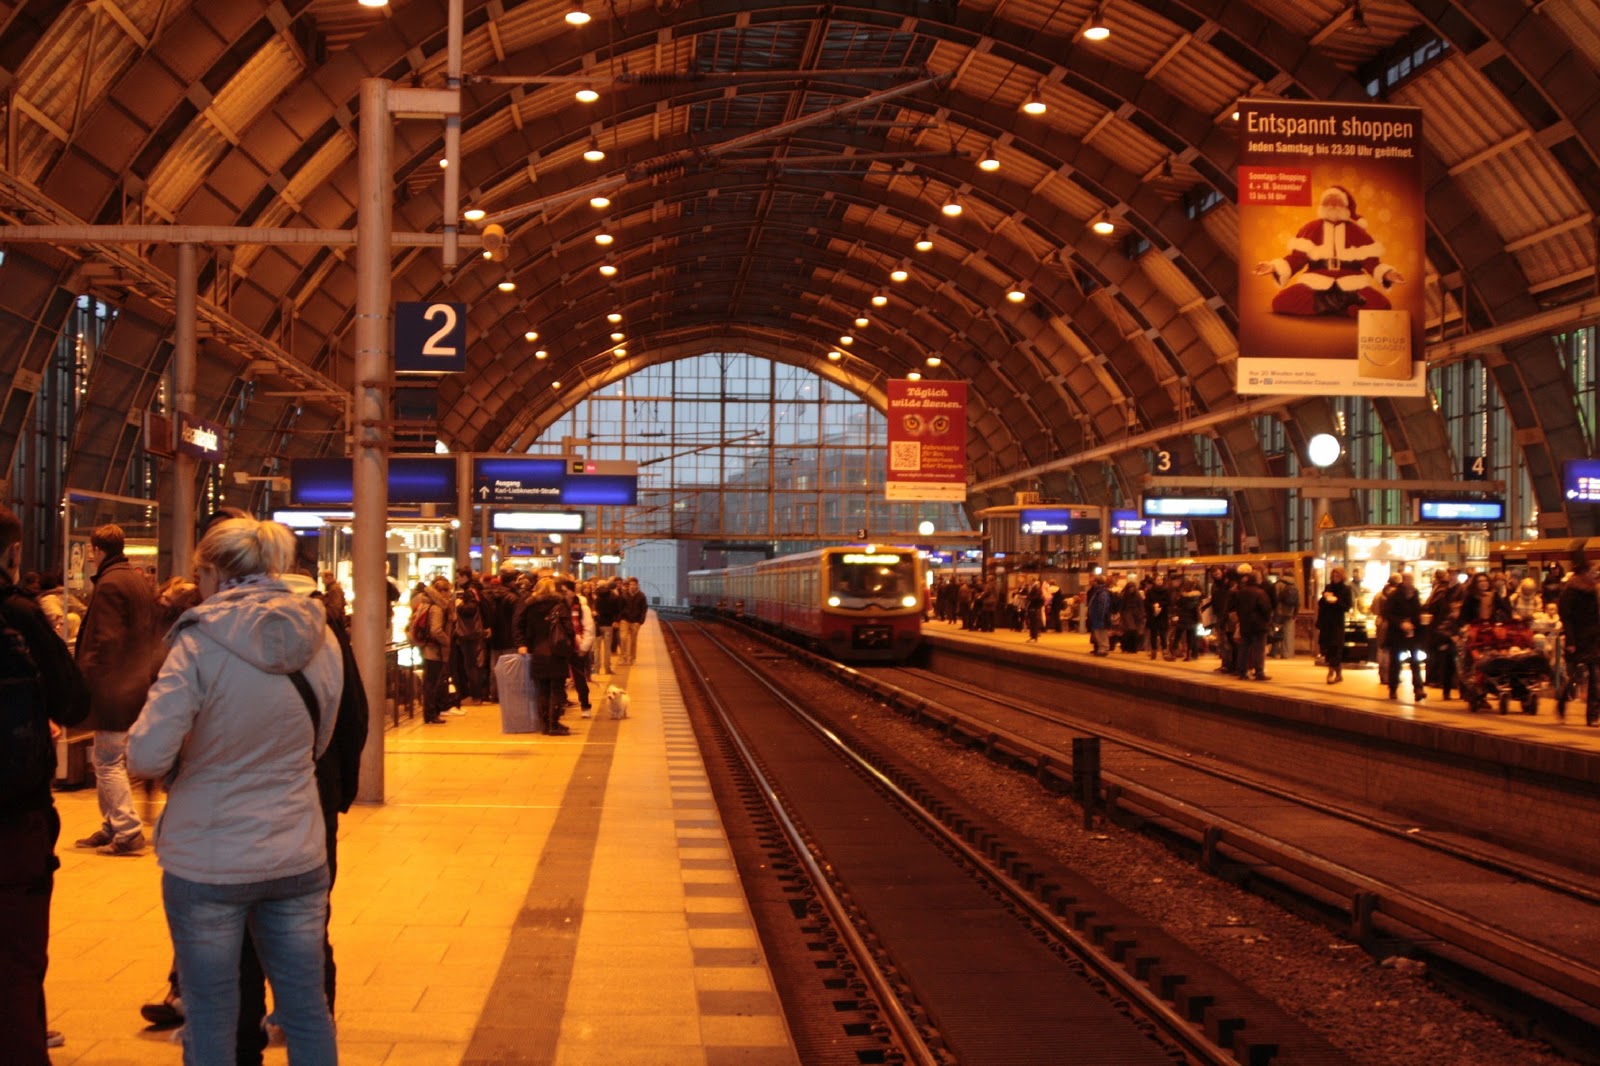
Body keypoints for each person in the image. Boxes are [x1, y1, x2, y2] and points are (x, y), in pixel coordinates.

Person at [127, 516, 340, 1066]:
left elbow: (147, 754)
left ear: (215, 572)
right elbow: (321, 740)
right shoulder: (323, 636)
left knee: (212, 1007)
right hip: (297, 845)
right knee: (305, 1007)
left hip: (208, 860)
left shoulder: (197, 642)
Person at [0, 506, 90, 1064]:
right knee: (14, 956)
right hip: (13, 821)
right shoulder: (19, 617)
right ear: (12, 555)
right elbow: (74, 702)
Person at [74, 523, 158, 857]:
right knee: (106, 758)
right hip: (135, 680)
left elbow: (105, 641)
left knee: (107, 760)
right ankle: (111, 824)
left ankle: (126, 830)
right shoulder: (135, 580)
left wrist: (85, 679)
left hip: (114, 687)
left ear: (97, 550)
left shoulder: (110, 584)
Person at [1252, 185, 1406, 318]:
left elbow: (1372, 263)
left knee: (1382, 304)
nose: (1332, 204)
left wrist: (1387, 273)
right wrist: (1273, 266)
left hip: (1351, 283)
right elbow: (1296, 259)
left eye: (1337, 201)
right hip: (1316, 281)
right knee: (1281, 302)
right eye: (1329, 201)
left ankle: (1330, 306)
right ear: (1322, 205)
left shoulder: (1358, 232)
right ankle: (1341, 306)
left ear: (1345, 207)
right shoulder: (1310, 228)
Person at [519, 577, 574, 735]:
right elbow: (568, 629)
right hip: (556, 652)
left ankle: (544, 724)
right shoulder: (560, 605)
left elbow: (525, 628)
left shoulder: (530, 606)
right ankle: (554, 724)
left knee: (542, 690)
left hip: (538, 651)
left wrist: (526, 644)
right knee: (556, 689)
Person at [1557, 557, 1600, 726]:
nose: (1596, 574)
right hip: (1577, 639)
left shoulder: (1596, 591)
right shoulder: (1571, 591)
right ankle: (1562, 702)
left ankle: (1593, 715)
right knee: (1575, 676)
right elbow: (1567, 618)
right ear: (1583, 573)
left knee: (1596, 677)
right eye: (1592, 572)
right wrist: (1571, 642)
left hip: (1595, 639)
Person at [1382, 572, 1426, 701]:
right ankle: (1393, 688)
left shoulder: (1415, 594)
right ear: (1403, 581)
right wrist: (1400, 623)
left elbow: (1418, 610)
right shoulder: (1395, 595)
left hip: (1412, 632)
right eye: (1408, 580)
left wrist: (1419, 621)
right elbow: (1387, 612)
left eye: (1411, 580)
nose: (1410, 583)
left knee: (1415, 661)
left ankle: (1418, 688)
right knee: (1395, 662)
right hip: (1397, 633)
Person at [1232, 573, 1274, 681]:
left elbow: (1237, 607)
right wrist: (1267, 620)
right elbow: (1266, 609)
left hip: (1245, 624)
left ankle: (1242, 672)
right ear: (1257, 580)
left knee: (1244, 648)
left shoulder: (1240, 593)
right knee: (1258, 649)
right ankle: (1259, 672)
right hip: (1259, 625)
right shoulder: (1260, 593)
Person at [1317, 567, 1354, 683]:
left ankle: (1331, 672)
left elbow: (1347, 606)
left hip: (1337, 622)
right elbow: (1321, 604)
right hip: (1327, 623)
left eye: (1337, 576)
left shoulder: (1346, 589)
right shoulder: (1329, 587)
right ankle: (1339, 674)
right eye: (1333, 576)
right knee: (1329, 648)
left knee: (1336, 646)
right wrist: (1324, 597)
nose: (1335, 578)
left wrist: (1337, 601)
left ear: (1342, 576)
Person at [617, 576, 648, 665]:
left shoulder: (641, 596)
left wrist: (640, 621)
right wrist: (620, 619)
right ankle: (623, 657)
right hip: (625, 620)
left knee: (633, 640)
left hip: (635, 621)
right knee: (623, 638)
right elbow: (620, 607)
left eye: (634, 585)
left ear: (637, 585)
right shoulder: (624, 595)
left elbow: (644, 609)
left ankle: (632, 658)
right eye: (630, 585)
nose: (632, 586)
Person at [1271, 575, 1300, 659]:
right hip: (1290, 612)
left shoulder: (1278, 584)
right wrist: (1296, 612)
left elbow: (1274, 598)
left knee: (1276, 631)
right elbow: (1298, 601)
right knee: (1288, 633)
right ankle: (1287, 653)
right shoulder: (1295, 585)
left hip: (1278, 612)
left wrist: (1274, 610)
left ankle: (1274, 651)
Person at [1085, 575, 1114, 656]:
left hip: (1099, 617)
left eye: (1094, 581)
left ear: (1097, 582)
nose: (1092, 583)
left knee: (1102, 634)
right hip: (1096, 617)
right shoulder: (1098, 591)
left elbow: (1103, 605)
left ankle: (1104, 649)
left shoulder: (1102, 592)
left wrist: (1102, 615)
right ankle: (1102, 649)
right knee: (1099, 634)